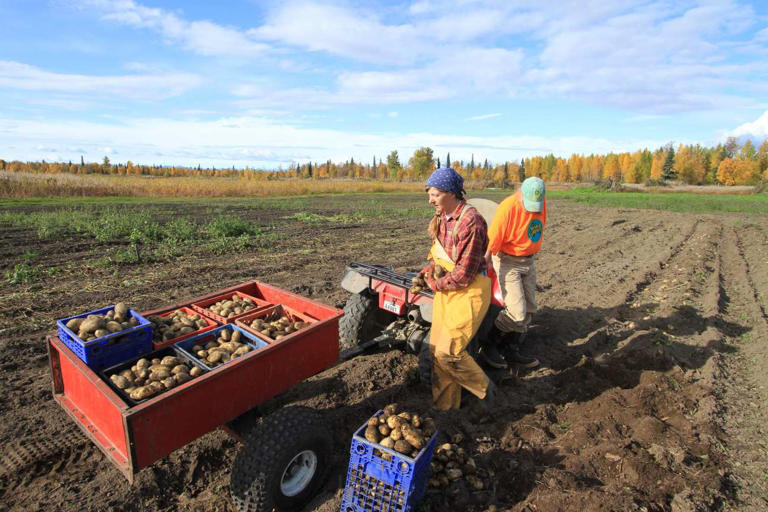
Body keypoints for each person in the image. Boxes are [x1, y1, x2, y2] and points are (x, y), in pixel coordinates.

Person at [420, 167, 495, 410]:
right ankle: (446, 409)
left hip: (468, 291)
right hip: (447, 292)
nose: (430, 200)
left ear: (452, 193)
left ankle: (487, 392)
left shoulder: (471, 222)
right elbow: (441, 255)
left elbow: (463, 275)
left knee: (448, 353)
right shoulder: (443, 216)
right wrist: (428, 270)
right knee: (437, 354)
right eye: (429, 194)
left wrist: (434, 283)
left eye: (435, 194)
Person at [480, 177, 547, 370]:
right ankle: (489, 345)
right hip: (508, 260)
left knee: (530, 309)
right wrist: (484, 260)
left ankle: (510, 349)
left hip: (528, 260)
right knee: (517, 312)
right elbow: (494, 238)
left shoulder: (541, 205)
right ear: (520, 194)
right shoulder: (508, 207)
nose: (534, 209)